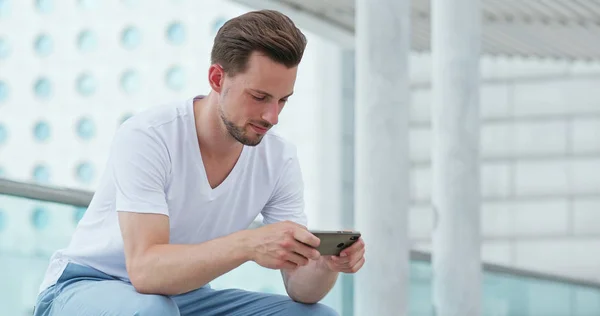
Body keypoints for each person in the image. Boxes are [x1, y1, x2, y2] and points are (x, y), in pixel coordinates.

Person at [33, 9, 366, 316]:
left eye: (283, 100)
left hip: (183, 296)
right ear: (217, 79)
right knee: (152, 310)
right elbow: (145, 271)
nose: (272, 116)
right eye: (260, 97)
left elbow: (300, 289)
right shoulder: (149, 136)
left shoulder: (279, 160)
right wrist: (249, 244)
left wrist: (324, 264)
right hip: (86, 286)